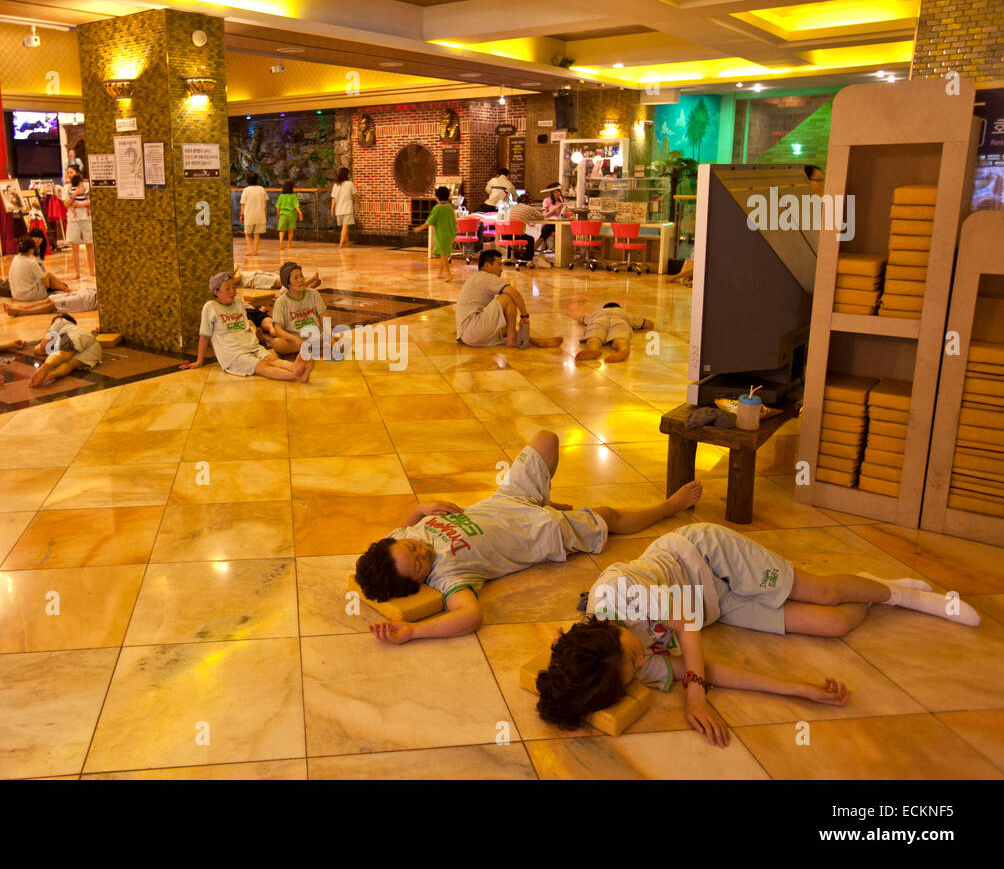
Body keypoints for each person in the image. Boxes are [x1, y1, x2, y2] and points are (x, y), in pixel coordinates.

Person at [535, 522, 981, 745]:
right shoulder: (619, 667)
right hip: (716, 605)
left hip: (712, 558)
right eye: (636, 669)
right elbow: (707, 665)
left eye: (633, 657)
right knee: (835, 623)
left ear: (609, 633)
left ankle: (909, 598)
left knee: (822, 591)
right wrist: (797, 690)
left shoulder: (619, 595)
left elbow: (687, 625)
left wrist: (695, 693)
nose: (641, 663)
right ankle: (872, 589)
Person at [352, 430, 704, 645]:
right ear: (418, 581)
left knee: (546, 440)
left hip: (508, 498)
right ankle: (668, 507)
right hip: (542, 533)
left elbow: (401, 529)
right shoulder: (448, 578)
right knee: (607, 515)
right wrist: (413, 632)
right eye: (418, 563)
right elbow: (470, 617)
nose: (421, 551)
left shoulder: (399, 541)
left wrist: (420, 507)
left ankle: (546, 499)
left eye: (412, 545)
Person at [182, 271, 317, 382]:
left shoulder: (238, 302)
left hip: (251, 345)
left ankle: (297, 368)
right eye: (227, 289)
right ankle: (295, 376)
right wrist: (199, 361)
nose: (232, 291)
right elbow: (204, 335)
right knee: (262, 366)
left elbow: (246, 326)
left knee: (272, 359)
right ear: (216, 292)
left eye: (233, 287)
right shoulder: (210, 307)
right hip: (233, 353)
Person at [455, 249, 563, 349]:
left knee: (504, 328)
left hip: (466, 335)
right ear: (487, 265)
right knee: (507, 297)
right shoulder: (486, 276)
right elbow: (514, 294)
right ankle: (512, 340)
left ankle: (536, 341)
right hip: (472, 330)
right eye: (498, 264)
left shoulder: (476, 277)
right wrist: (524, 315)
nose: (501, 269)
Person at [28, 313, 103, 387]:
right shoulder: (70, 332)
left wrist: (41, 345)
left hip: (78, 336)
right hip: (95, 350)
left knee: (62, 353)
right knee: (69, 365)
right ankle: (51, 375)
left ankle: (45, 368)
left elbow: (44, 346)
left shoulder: (60, 321)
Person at [574, 301, 654, 363]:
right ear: (619, 308)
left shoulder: (598, 312)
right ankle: (623, 350)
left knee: (593, 337)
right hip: (619, 321)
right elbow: (649, 324)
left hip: (599, 320)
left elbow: (581, 318)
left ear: (604, 308)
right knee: (620, 339)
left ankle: (593, 349)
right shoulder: (624, 313)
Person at [271, 260, 327, 341]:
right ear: (288, 283)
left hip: (318, 337)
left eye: (301, 276)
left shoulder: (314, 294)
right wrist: (295, 339)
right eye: (296, 278)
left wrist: (330, 336)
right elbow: (277, 329)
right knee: (278, 343)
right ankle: (315, 348)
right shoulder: (281, 302)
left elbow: (324, 318)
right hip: (297, 340)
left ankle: (312, 348)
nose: (301, 280)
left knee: (341, 341)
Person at [412, 185, 458, 281]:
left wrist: (418, 229)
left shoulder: (437, 208)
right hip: (451, 234)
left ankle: (449, 275)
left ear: (436, 197)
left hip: (442, 235)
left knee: (444, 256)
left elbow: (429, 222)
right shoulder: (450, 207)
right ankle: (440, 273)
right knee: (444, 254)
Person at [8, 235, 71, 302]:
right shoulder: (31, 262)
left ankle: (64, 288)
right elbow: (45, 282)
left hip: (16, 295)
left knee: (46, 277)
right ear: (31, 249)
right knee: (48, 274)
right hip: (29, 296)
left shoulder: (15, 258)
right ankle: (67, 290)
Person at [62, 166, 94, 280]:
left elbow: (92, 200)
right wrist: (74, 194)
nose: (69, 174)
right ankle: (77, 273)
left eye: (71, 172)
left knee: (89, 245)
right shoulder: (66, 188)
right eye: (68, 173)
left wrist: (80, 205)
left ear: (77, 173)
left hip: (87, 218)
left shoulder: (86, 185)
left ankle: (92, 270)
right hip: (73, 219)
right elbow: (66, 204)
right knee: (74, 246)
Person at [503, 194, 546, 262]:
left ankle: (509, 257)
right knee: (530, 239)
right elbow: (541, 217)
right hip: (517, 235)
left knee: (511, 236)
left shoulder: (512, 207)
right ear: (528, 203)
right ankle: (528, 259)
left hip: (505, 235)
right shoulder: (529, 208)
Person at [240, 173, 269, 257]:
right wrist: (265, 214)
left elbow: (243, 204)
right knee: (257, 234)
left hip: (249, 215)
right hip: (260, 214)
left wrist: (241, 215)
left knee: (248, 234)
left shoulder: (246, 190)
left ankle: (249, 250)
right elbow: (265, 204)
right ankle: (255, 251)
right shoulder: (261, 189)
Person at [331, 167, 357, 247]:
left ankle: (347, 242)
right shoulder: (350, 184)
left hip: (338, 209)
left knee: (344, 227)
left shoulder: (336, 185)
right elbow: (354, 195)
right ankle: (341, 244)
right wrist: (358, 202)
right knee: (345, 227)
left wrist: (332, 209)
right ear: (347, 175)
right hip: (347, 209)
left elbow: (334, 198)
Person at [536, 184, 565, 254]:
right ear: (553, 192)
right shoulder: (547, 200)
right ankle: (537, 247)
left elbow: (564, 215)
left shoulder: (562, 201)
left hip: (559, 223)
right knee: (548, 228)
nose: (559, 193)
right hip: (549, 223)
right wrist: (555, 209)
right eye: (557, 191)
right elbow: (545, 215)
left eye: (560, 191)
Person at [275, 180, 302, 249]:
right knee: (291, 231)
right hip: (292, 214)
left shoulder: (281, 196)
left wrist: (278, 214)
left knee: (281, 230)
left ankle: (281, 241)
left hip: (283, 214)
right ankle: (289, 244)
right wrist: (300, 213)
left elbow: (278, 206)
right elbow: (296, 206)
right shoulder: (293, 196)